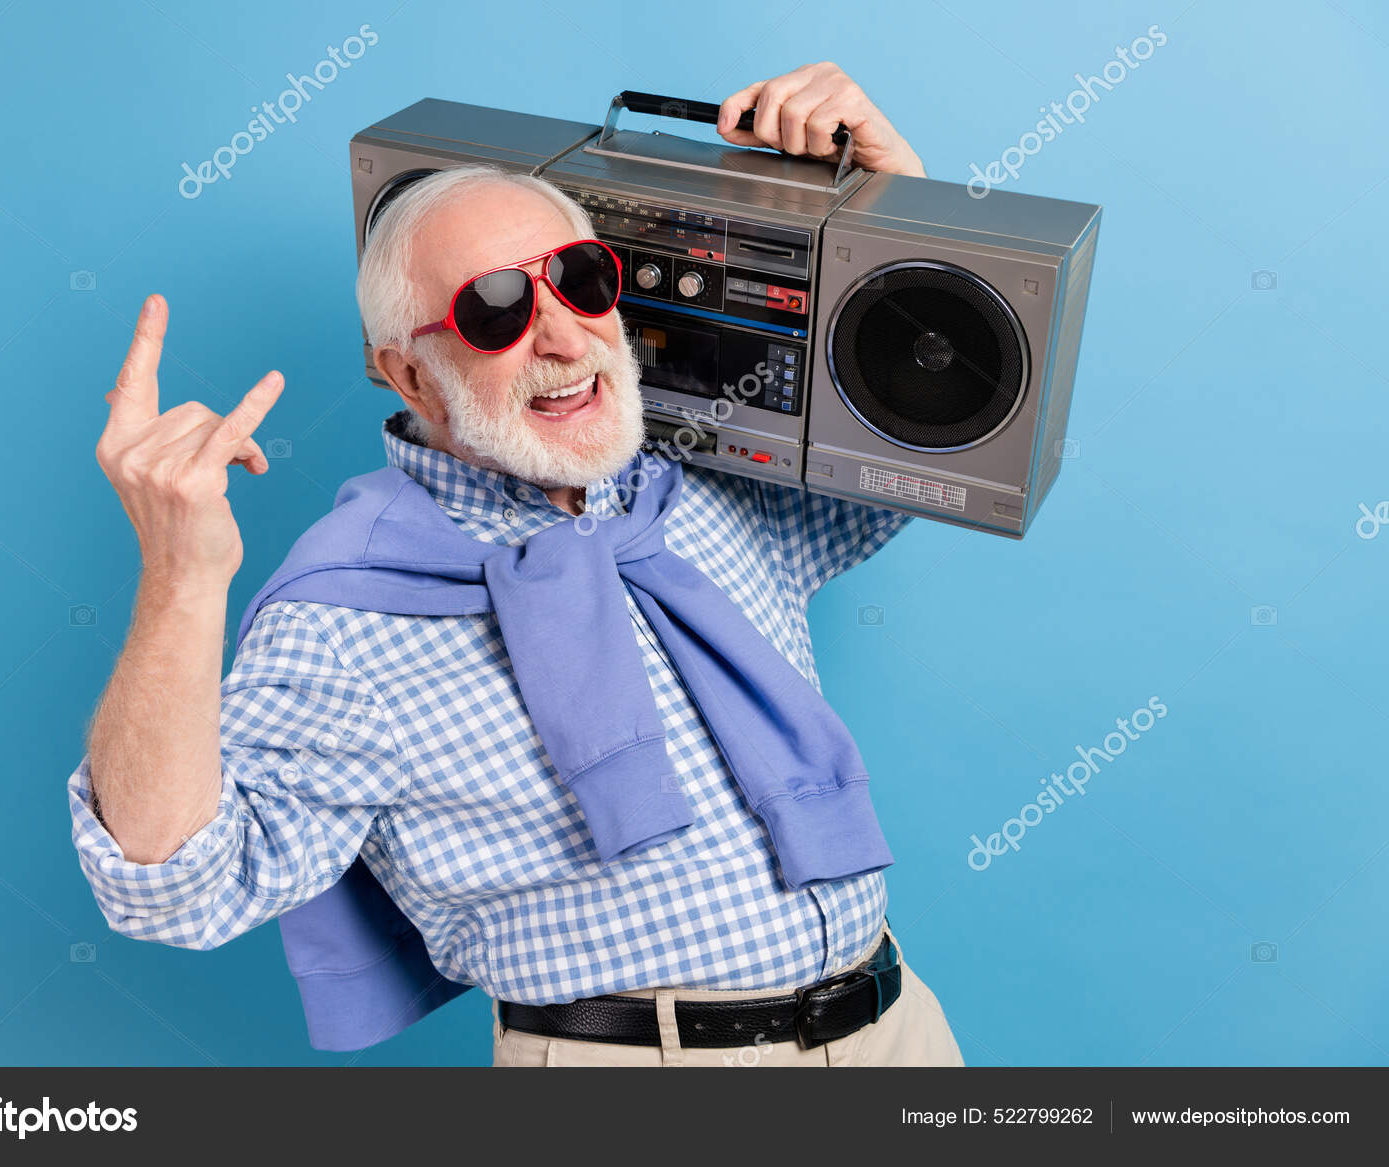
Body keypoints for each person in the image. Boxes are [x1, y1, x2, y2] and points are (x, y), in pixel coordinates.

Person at [70, 61, 963, 1066]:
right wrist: (178, 577)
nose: (557, 335)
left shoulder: (703, 494)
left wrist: (893, 199)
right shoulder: (347, 616)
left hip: (895, 1033)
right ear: (408, 370)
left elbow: (920, 432)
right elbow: (171, 887)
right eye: (492, 311)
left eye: (580, 279)